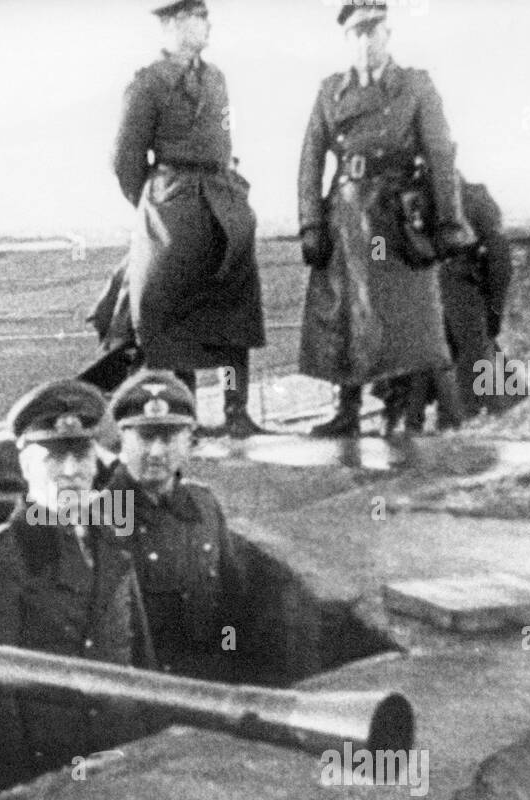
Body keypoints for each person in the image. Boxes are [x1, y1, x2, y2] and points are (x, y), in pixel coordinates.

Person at [0, 380, 156, 797]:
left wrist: (150, 743)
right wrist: (15, 794)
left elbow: (140, 656)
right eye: (54, 456)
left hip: (122, 754)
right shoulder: (4, 557)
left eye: (81, 453)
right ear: (26, 465)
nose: (71, 470)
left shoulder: (112, 536)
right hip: (50, 770)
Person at [298, 1, 474, 438]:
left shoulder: (415, 86)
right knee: (345, 311)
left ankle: (413, 413)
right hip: (345, 214)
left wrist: (449, 220)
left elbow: (440, 154)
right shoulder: (329, 91)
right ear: (346, 40)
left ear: (388, 36)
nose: (365, 41)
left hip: (398, 216)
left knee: (410, 315)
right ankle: (347, 410)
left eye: (373, 32)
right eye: (357, 34)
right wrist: (310, 224)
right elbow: (310, 162)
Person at [104, 0, 267, 438]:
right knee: (172, 319)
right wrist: (156, 206)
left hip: (223, 202)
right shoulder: (147, 83)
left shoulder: (216, 79)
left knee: (235, 314)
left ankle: (237, 414)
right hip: (173, 208)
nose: (208, 25)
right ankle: (186, 417)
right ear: (173, 23)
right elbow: (124, 160)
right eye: (199, 18)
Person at [100, 370, 248, 679]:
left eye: (168, 438)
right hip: (145, 693)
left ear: (188, 441)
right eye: (144, 437)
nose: (156, 451)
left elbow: (232, 604)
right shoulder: (103, 515)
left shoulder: (204, 505)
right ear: (121, 441)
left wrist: (229, 662)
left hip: (209, 684)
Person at [377, 178, 514, 432]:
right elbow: (500, 260)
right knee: (470, 367)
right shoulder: (472, 197)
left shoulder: (396, 200)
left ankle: (420, 419)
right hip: (453, 293)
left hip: (433, 295)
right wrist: (494, 311)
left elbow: (379, 250)